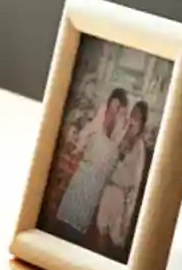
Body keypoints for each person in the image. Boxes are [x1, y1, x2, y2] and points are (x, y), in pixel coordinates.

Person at [55, 88, 129, 235]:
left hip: (94, 189)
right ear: (107, 106)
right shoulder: (96, 125)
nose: (113, 114)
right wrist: (77, 147)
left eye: (118, 110)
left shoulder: (118, 138)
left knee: (78, 230)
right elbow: (79, 143)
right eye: (112, 108)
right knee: (64, 224)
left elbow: (112, 167)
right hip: (81, 180)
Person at [94, 101, 150, 253]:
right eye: (132, 115)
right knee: (101, 229)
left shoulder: (139, 147)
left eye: (137, 117)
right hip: (108, 189)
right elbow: (107, 160)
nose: (133, 119)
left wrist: (128, 204)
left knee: (115, 238)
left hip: (121, 196)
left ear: (142, 122)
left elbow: (135, 180)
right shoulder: (120, 136)